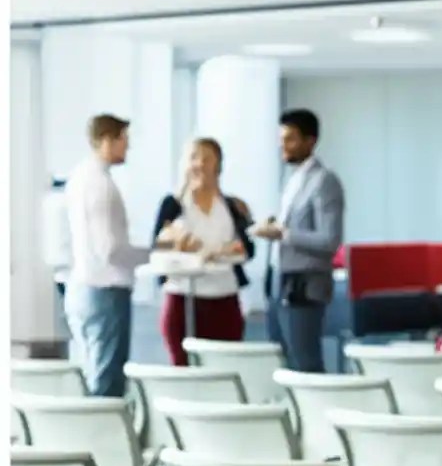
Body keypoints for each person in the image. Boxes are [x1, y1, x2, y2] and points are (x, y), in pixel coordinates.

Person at [64, 114, 149, 397]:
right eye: (124, 139)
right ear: (106, 140)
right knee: (107, 381)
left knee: (92, 372)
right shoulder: (101, 185)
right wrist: (153, 254)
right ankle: (102, 441)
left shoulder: (79, 177)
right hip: (106, 291)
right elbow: (110, 251)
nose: (128, 147)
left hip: (81, 287)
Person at [152, 138, 257, 366]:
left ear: (218, 165)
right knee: (183, 368)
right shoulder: (172, 204)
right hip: (182, 298)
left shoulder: (233, 206)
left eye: (206, 158)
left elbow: (248, 249)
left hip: (224, 299)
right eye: (193, 157)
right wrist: (176, 244)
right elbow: (157, 250)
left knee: (226, 367)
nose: (199, 163)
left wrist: (221, 251)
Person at [255, 109, 345, 373]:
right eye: (281, 139)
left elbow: (330, 239)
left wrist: (284, 233)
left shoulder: (324, 181)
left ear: (310, 141)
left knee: (305, 361)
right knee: (283, 360)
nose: (283, 145)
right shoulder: (292, 179)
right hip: (279, 281)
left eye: (290, 139)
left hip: (305, 284)